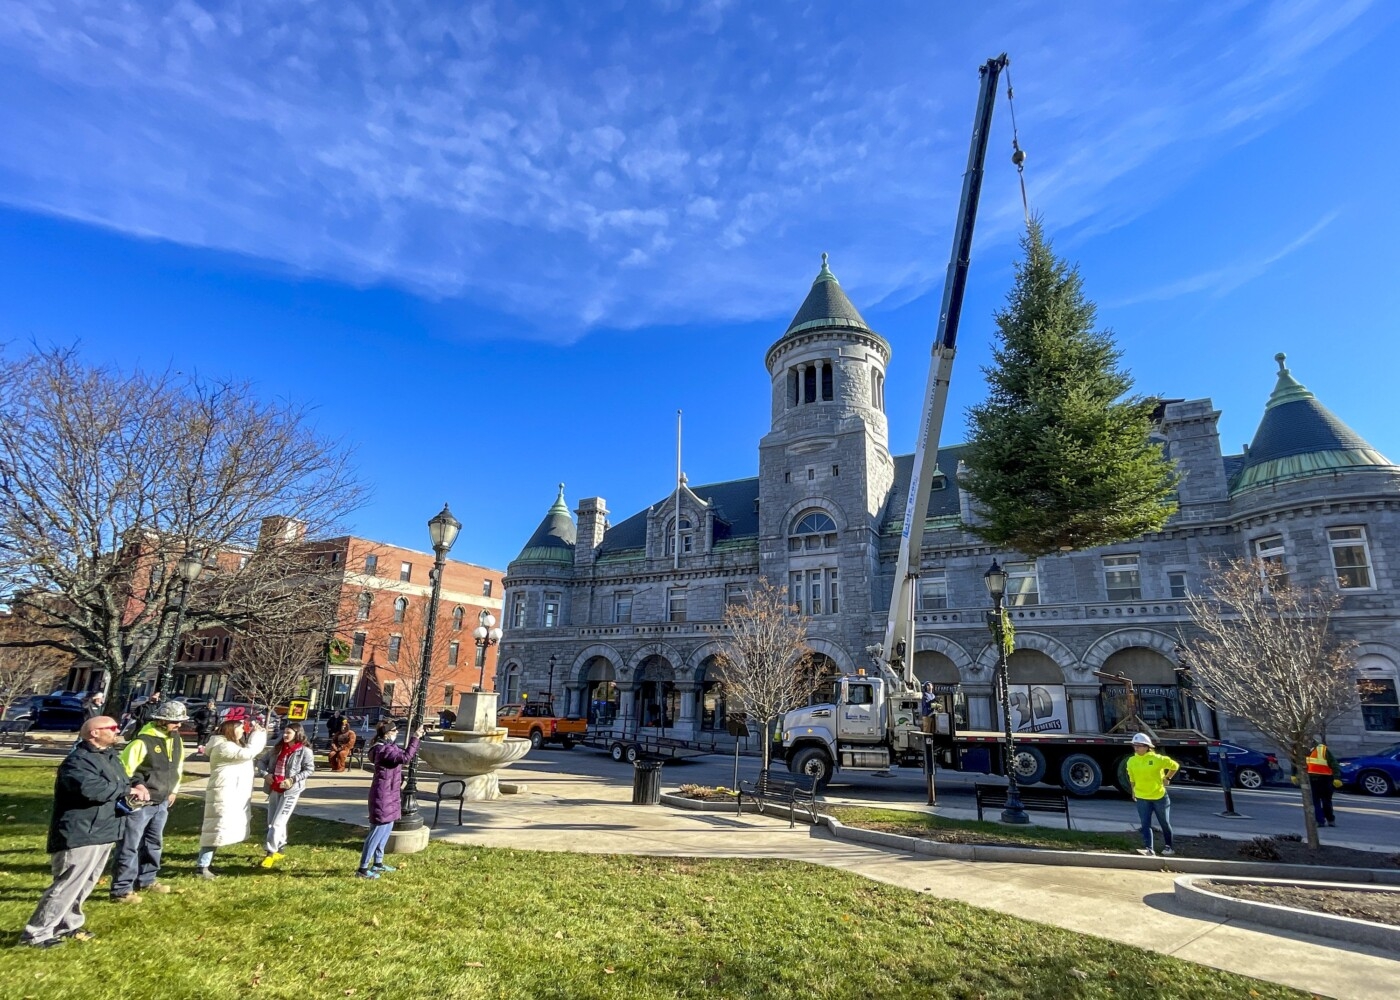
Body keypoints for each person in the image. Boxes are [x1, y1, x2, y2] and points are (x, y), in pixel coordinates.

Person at [21, 716, 148, 947]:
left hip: (105, 829)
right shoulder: (78, 761)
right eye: (111, 728)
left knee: (85, 883)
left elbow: (124, 777)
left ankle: (67, 924)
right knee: (67, 884)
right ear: (94, 733)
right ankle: (36, 934)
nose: (117, 730)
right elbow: (91, 790)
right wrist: (125, 789)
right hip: (81, 833)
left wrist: (136, 783)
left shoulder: (109, 757)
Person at [111, 699, 187, 903]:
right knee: (130, 844)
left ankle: (147, 879)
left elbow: (178, 767)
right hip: (140, 802)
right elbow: (124, 771)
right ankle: (121, 889)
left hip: (162, 800)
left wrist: (173, 791)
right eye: (175, 722)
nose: (179, 725)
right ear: (161, 720)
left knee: (154, 843)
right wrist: (136, 786)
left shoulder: (176, 739)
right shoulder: (142, 741)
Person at [195, 712, 268, 879]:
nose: (243, 729)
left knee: (219, 829)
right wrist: (258, 735)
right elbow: (249, 753)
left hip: (230, 793)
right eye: (240, 727)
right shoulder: (223, 747)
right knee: (215, 829)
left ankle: (207, 863)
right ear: (230, 729)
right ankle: (202, 866)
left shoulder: (228, 745)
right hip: (223, 794)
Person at [356, 721, 422, 879]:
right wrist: (415, 738)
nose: (397, 733)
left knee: (386, 828)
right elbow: (405, 758)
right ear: (386, 733)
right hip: (383, 795)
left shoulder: (388, 746)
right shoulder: (382, 749)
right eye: (394, 730)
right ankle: (362, 868)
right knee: (377, 831)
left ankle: (378, 863)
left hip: (390, 793)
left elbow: (398, 759)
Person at [258, 722, 314, 868]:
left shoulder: (304, 751)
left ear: (297, 734)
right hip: (274, 788)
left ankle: (270, 853)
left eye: (288, 733)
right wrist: (265, 775)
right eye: (284, 732)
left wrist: (292, 780)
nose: (285, 735)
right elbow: (261, 762)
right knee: (272, 821)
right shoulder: (277, 749)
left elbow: (309, 770)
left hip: (291, 791)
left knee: (278, 823)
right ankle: (280, 848)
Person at [1125, 732, 1178, 857]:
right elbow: (1132, 778)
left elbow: (1175, 766)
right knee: (1145, 824)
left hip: (1159, 796)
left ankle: (1169, 847)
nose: (1136, 748)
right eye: (1134, 746)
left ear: (1147, 746)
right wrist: (1133, 791)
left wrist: (1167, 778)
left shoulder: (1157, 759)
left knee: (1164, 822)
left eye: (1139, 745)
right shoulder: (1131, 761)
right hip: (1142, 797)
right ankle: (1149, 849)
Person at [1305, 737, 1342, 828]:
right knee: (1315, 801)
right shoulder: (1301, 751)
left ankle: (1330, 819)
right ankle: (1320, 820)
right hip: (1312, 780)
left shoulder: (1322, 749)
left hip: (1325, 779)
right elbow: (1295, 763)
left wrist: (1337, 777)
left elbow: (1334, 763)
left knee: (1326, 801)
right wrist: (1294, 774)